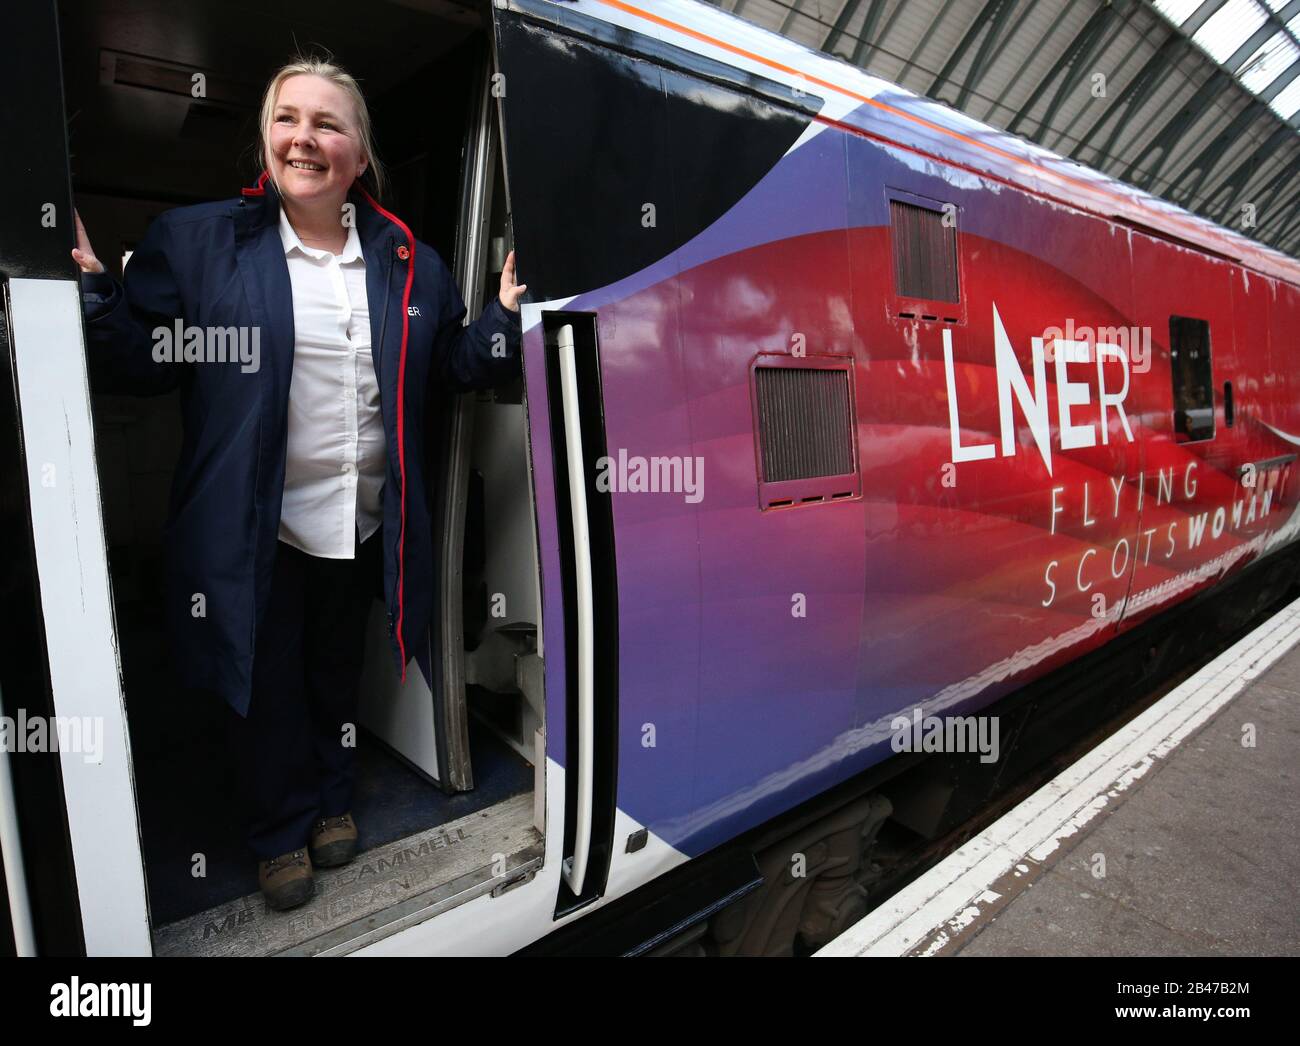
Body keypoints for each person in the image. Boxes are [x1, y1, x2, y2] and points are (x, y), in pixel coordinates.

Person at [73, 56, 526, 911]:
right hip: (255, 528)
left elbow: (455, 366)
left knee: (332, 673)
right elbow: (138, 361)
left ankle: (330, 800)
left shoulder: (409, 261)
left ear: (359, 156)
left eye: (327, 124)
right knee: (264, 684)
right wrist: (96, 299)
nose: (304, 139)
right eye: (288, 119)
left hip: (359, 523)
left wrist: (503, 316)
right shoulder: (202, 243)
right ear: (266, 140)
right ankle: (279, 832)